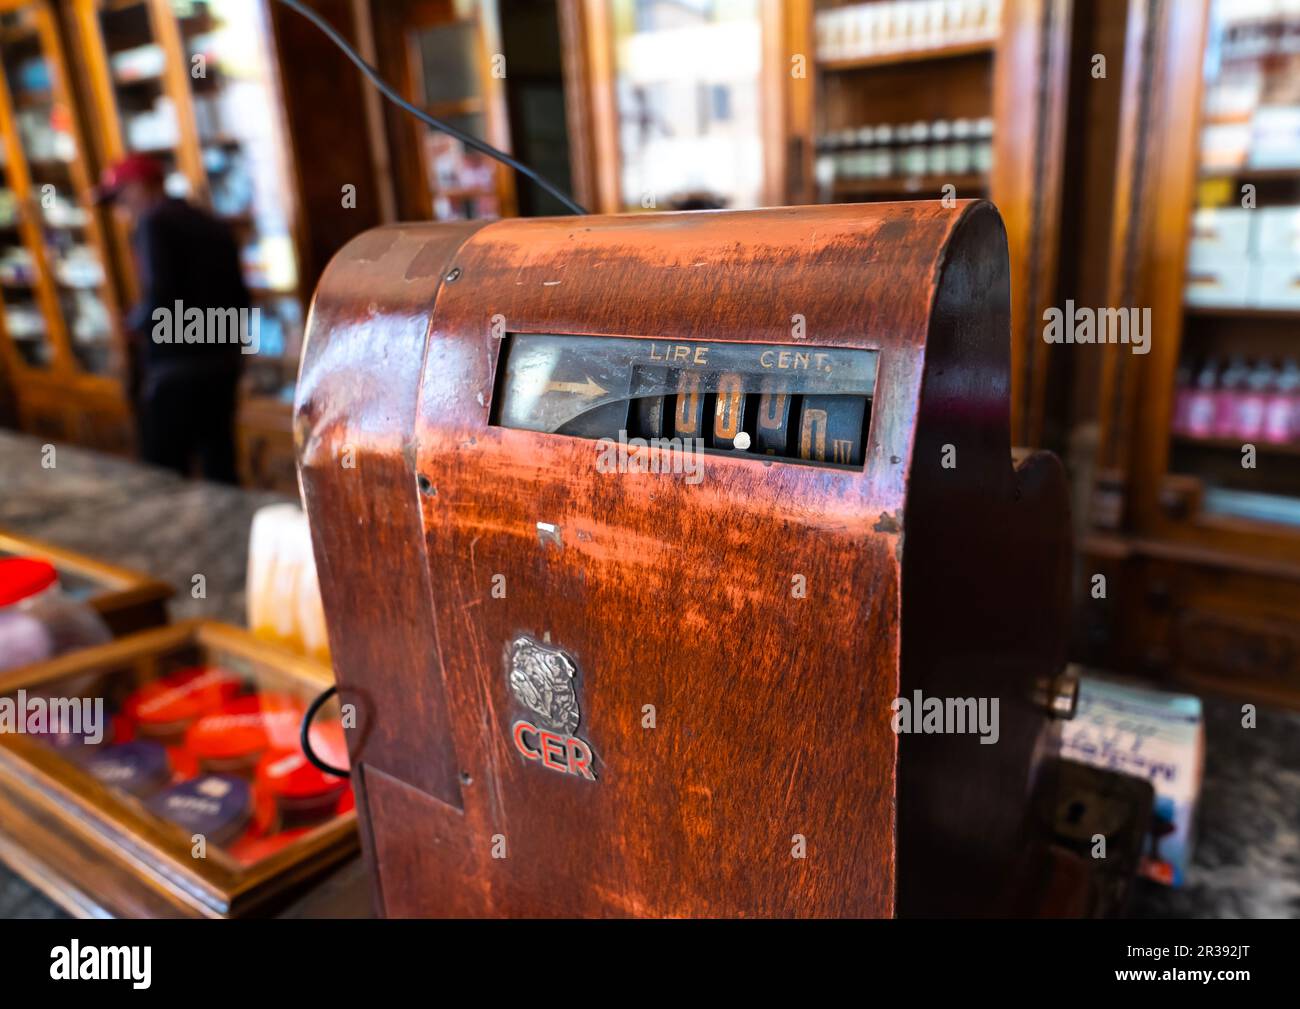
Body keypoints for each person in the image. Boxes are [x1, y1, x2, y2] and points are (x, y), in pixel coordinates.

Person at [95, 154, 250, 483]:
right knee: (219, 464)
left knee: (161, 472)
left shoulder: (154, 222)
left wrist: (133, 325)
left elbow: (160, 296)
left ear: (141, 187)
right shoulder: (210, 221)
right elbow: (240, 297)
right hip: (221, 360)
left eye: (122, 197)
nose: (121, 209)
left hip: (176, 366)